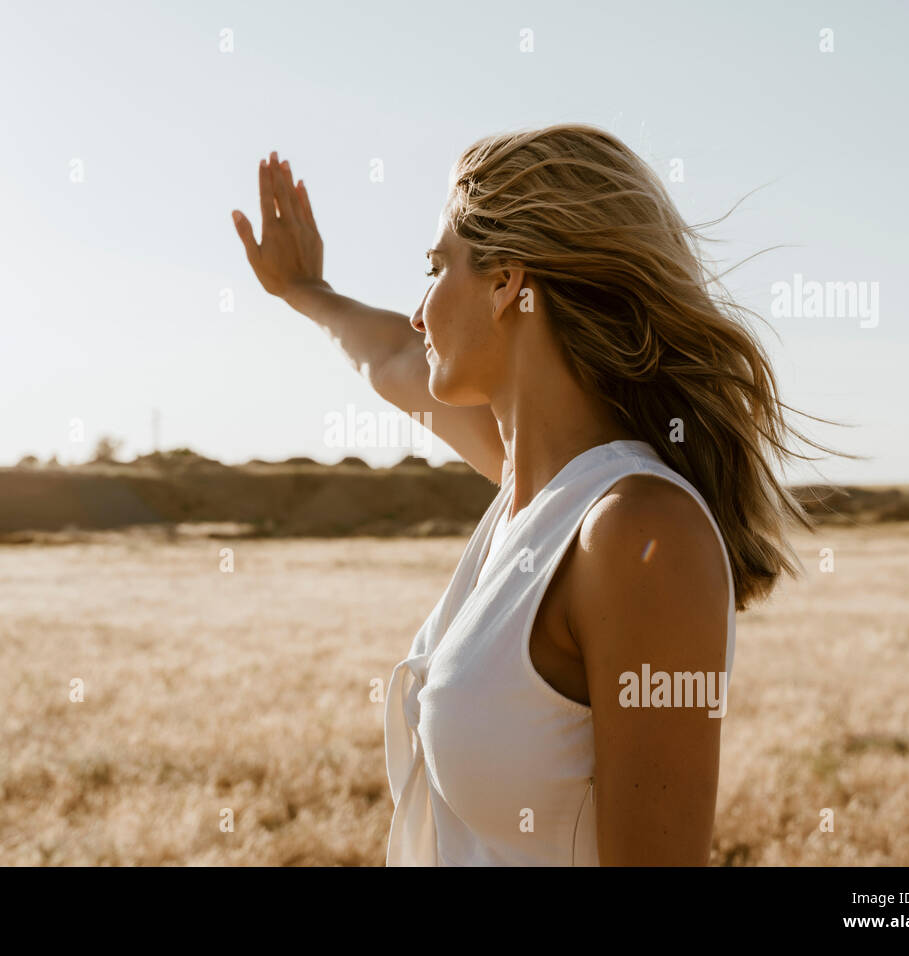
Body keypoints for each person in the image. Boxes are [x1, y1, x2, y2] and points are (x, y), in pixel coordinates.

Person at [232, 124, 844, 865]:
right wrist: (307, 291)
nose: (421, 310)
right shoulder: (538, 488)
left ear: (507, 284)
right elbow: (393, 355)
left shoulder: (636, 531)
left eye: (436, 266)